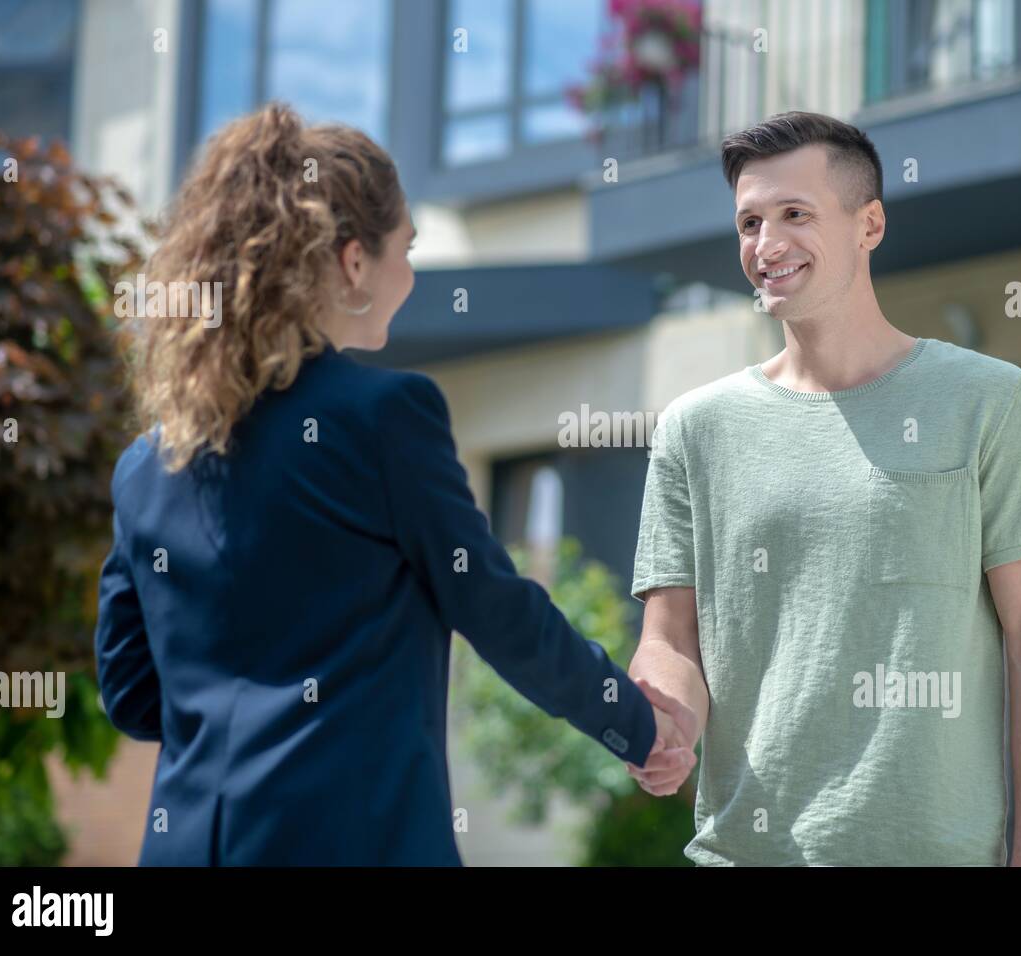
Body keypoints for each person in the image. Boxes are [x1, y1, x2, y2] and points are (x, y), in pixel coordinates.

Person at [93, 102, 696, 866]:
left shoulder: (147, 466)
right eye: (404, 250)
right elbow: (496, 608)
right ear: (352, 262)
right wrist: (636, 725)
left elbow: (132, 693)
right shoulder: (383, 416)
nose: (408, 275)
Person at [626, 111, 1021, 866]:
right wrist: (664, 717)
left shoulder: (986, 400)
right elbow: (670, 639)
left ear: (869, 224)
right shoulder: (693, 428)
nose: (766, 246)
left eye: (794, 214)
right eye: (749, 222)